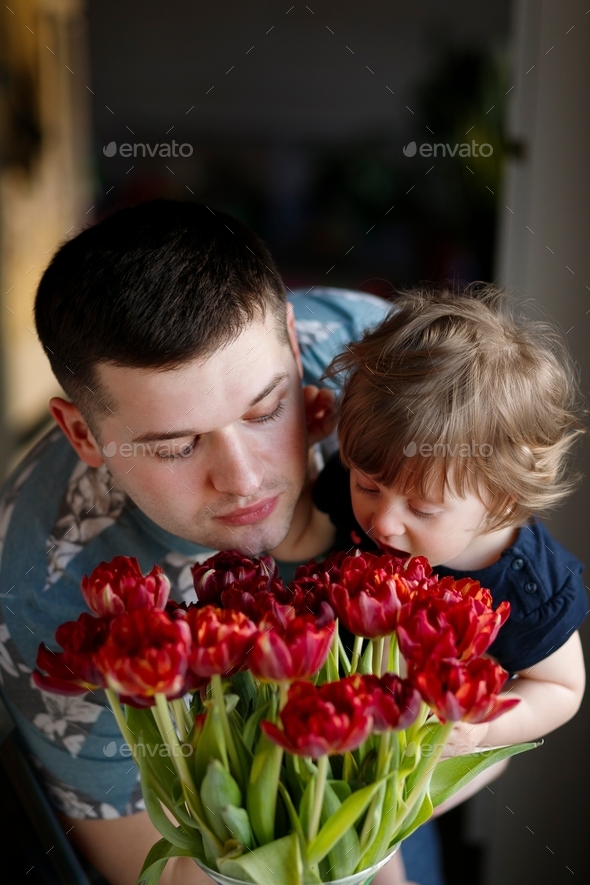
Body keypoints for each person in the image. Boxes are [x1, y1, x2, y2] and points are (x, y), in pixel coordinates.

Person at [0, 199, 426, 885]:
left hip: (411, 786)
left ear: (293, 340)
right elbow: (162, 869)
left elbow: (536, 642)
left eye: (266, 409)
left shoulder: (392, 369)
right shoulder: (39, 585)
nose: (245, 477)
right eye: (175, 445)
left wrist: (377, 834)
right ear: (83, 434)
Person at [312, 285, 587, 764]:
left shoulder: (529, 587)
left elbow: (561, 687)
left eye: (421, 509)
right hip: (332, 727)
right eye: (367, 486)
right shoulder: (364, 479)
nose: (385, 523)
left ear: (502, 497)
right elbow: (307, 539)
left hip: (413, 769)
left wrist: (480, 729)